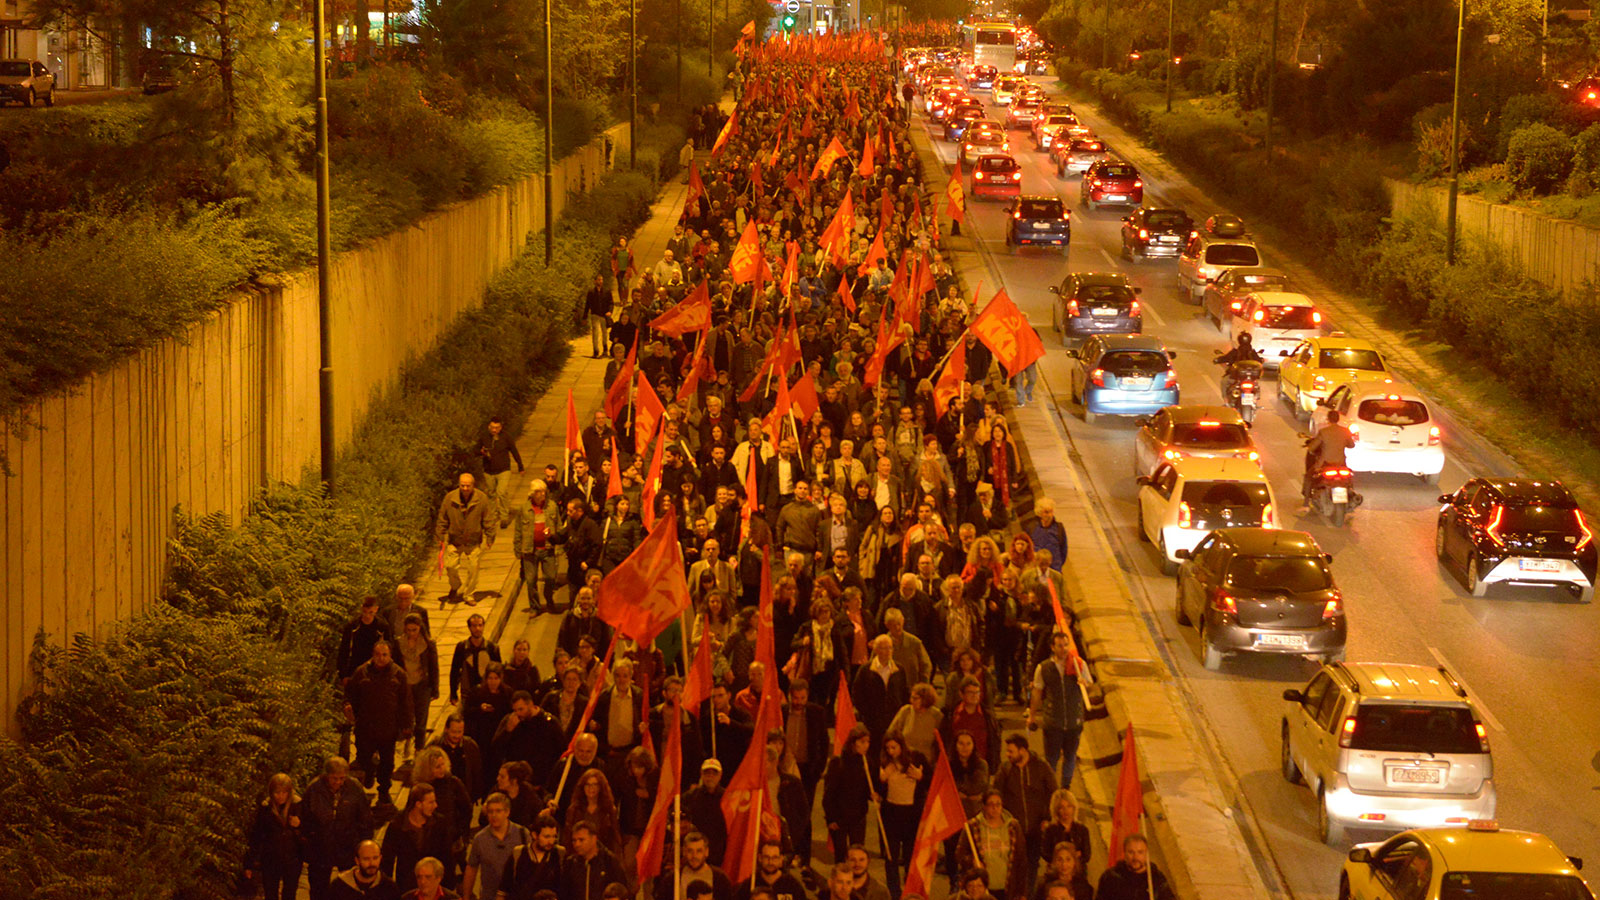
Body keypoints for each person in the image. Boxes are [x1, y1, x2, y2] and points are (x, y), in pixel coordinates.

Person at [346, 640, 412, 808]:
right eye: (377, 654)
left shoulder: (399, 675)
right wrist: (349, 710)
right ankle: (369, 771)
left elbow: (406, 702)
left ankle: (384, 791)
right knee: (364, 757)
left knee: (387, 762)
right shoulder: (362, 673)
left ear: (390, 656)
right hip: (365, 727)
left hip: (387, 728)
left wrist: (406, 725)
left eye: (384, 655)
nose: (381, 658)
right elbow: (351, 695)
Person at [304, 757, 375, 900]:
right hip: (321, 848)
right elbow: (306, 820)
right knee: (319, 889)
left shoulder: (354, 788)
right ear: (326, 775)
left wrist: (364, 845)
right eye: (334, 778)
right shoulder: (314, 790)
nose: (338, 783)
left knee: (350, 889)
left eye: (342, 778)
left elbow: (365, 818)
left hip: (348, 847)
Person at [995, 734, 1057, 884]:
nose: (1007, 755)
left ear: (1022, 751)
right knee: (1015, 864)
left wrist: (1047, 818)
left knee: (1033, 864)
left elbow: (1054, 793)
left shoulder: (1041, 767)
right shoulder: (1005, 769)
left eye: (1011, 751)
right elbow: (996, 794)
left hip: (1036, 829)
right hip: (1014, 829)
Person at [1028, 631, 1086, 787]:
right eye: (1059, 646)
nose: (1063, 649)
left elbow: (1089, 684)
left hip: (1074, 722)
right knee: (1051, 759)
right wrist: (1032, 715)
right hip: (1053, 722)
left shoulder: (1078, 664)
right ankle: (1051, 787)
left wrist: (1084, 682)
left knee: (1070, 756)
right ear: (1053, 647)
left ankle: (1066, 787)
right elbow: (1037, 692)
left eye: (1066, 645)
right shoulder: (1044, 668)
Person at [436, 473, 497, 604]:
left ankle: (469, 594)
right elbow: (443, 518)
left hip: (473, 540)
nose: (465, 488)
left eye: (467, 486)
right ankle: (456, 586)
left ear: (473, 485)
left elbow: (488, 519)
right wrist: (440, 536)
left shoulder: (481, 499)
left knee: (473, 569)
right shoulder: (450, 498)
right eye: (462, 485)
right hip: (455, 539)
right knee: (450, 566)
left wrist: (490, 536)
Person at [956, 789, 1028, 900]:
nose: (995, 808)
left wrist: (1022, 892)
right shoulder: (972, 826)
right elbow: (960, 854)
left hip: (1008, 887)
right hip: (982, 890)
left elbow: (1021, 859)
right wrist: (972, 861)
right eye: (991, 804)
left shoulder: (1013, 826)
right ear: (984, 806)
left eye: (998, 804)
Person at [380, 783, 451, 893]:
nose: (435, 805)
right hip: (407, 888)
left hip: (434, 888)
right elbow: (386, 861)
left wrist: (447, 889)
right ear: (418, 804)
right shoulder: (397, 826)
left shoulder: (439, 824)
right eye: (431, 802)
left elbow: (447, 858)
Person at [876, 733, 924, 891]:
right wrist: (879, 787)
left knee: (911, 857)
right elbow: (878, 786)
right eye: (888, 748)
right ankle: (894, 891)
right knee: (891, 857)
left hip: (911, 815)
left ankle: (910, 890)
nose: (891, 751)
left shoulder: (915, 759)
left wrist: (920, 776)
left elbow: (929, 779)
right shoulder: (885, 764)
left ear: (901, 746)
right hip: (891, 814)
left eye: (894, 747)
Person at [246, 773, 303, 900]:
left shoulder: (297, 806)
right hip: (271, 858)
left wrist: (299, 825)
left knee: (290, 893)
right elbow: (256, 835)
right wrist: (249, 862)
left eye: (284, 792)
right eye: (277, 792)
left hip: (292, 859)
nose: (280, 796)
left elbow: (309, 831)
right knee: (270, 893)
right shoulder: (266, 808)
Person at [820, 725, 873, 862]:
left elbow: (865, 790)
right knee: (841, 854)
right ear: (853, 743)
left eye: (868, 742)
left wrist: (872, 795)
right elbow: (829, 792)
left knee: (857, 853)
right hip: (839, 817)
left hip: (858, 817)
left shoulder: (866, 763)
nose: (866, 746)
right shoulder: (838, 763)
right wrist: (831, 818)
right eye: (862, 742)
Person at [461, 793, 526, 900]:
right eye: (490, 812)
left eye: (498, 811)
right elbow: (471, 869)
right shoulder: (480, 839)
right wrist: (466, 896)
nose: (494, 815)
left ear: (507, 812)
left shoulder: (522, 834)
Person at [512, 481, 563, 614]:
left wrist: (558, 544)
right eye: (539, 492)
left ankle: (549, 600)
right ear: (533, 494)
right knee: (530, 580)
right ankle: (535, 606)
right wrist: (518, 549)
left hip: (548, 549)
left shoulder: (552, 507)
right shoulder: (524, 509)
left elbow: (558, 526)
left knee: (551, 577)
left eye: (544, 491)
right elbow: (518, 530)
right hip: (530, 551)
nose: (542, 494)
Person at [395, 613, 439, 756]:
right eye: (409, 630)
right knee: (407, 717)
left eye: (414, 630)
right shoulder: (399, 643)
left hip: (422, 684)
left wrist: (435, 688)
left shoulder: (428, 644)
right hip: (406, 684)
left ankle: (419, 748)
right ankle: (407, 742)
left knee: (421, 718)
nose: (411, 633)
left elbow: (434, 667)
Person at [500, 813, 565, 900]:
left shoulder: (559, 854)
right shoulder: (519, 854)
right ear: (534, 835)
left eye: (554, 836)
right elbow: (503, 890)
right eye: (546, 837)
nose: (551, 841)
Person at [654, 830, 733, 900]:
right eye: (690, 851)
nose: (694, 856)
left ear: (706, 852)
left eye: (699, 851)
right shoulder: (672, 879)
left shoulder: (720, 879)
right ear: (684, 852)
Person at [1095, 834, 1176, 900]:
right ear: (1124, 853)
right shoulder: (1111, 877)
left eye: (1140, 852)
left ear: (1146, 853)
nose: (1135, 857)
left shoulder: (1156, 878)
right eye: (1131, 852)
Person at [559, 819, 624, 900]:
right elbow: (563, 893)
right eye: (574, 840)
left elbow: (621, 892)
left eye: (581, 840)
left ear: (594, 839)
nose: (577, 844)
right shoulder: (570, 864)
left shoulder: (609, 862)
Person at [1303, 409, 1356, 502]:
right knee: (1349, 480)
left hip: (1325, 463)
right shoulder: (1345, 431)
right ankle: (1351, 499)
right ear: (1338, 419)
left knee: (1308, 476)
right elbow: (1351, 445)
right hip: (1341, 463)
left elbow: (1312, 448)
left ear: (1328, 419)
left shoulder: (1324, 432)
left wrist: (1310, 446)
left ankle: (1306, 502)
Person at [479, 417, 525, 525]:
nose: (494, 430)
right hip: (489, 471)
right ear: (489, 427)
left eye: (497, 428)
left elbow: (514, 451)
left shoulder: (506, 437)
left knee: (502, 492)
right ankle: (493, 515)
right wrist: (482, 452)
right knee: (491, 494)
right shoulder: (484, 437)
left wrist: (520, 466)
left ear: (501, 427)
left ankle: (504, 516)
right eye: (492, 428)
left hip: (503, 470)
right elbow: (475, 450)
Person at [337, 596, 394, 682]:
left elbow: (389, 650)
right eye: (365, 612)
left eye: (371, 612)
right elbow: (344, 650)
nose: (367, 616)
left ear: (376, 609)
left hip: (375, 669)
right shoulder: (352, 626)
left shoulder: (382, 627)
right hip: (354, 668)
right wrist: (343, 675)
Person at [683, 759, 729, 863]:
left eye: (714, 773)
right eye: (707, 773)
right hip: (694, 853)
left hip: (720, 853)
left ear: (720, 775)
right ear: (701, 774)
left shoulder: (728, 798)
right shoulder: (689, 797)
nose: (710, 776)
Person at [431, 714, 485, 801]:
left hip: (464, 797)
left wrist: (476, 796)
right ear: (446, 729)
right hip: (441, 797)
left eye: (459, 732)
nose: (456, 735)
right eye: (453, 732)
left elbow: (477, 772)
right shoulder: (435, 747)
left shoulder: (470, 746)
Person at [731, 841, 807, 900]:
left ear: (781, 859)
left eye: (775, 858)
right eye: (766, 857)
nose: (770, 862)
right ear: (760, 858)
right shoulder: (749, 885)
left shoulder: (793, 886)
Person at [1039, 789, 1092, 872]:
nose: (1066, 811)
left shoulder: (1082, 830)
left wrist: (1072, 862)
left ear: (1074, 808)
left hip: (1078, 873)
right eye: (1061, 807)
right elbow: (1045, 853)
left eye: (1069, 806)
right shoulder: (1050, 830)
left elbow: (1087, 855)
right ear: (1056, 810)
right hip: (1056, 873)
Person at [328, 840, 400, 900]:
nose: (371, 863)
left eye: (375, 858)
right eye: (366, 859)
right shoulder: (339, 885)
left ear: (380, 858)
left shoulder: (389, 888)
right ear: (357, 860)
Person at [1028, 499, 1068, 572]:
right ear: (1039, 513)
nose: (1049, 515)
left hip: (1054, 568)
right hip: (1036, 569)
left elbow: (1063, 549)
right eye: (1046, 512)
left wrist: (1058, 564)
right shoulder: (1032, 527)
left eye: (1051, 512)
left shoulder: (1059, 528)